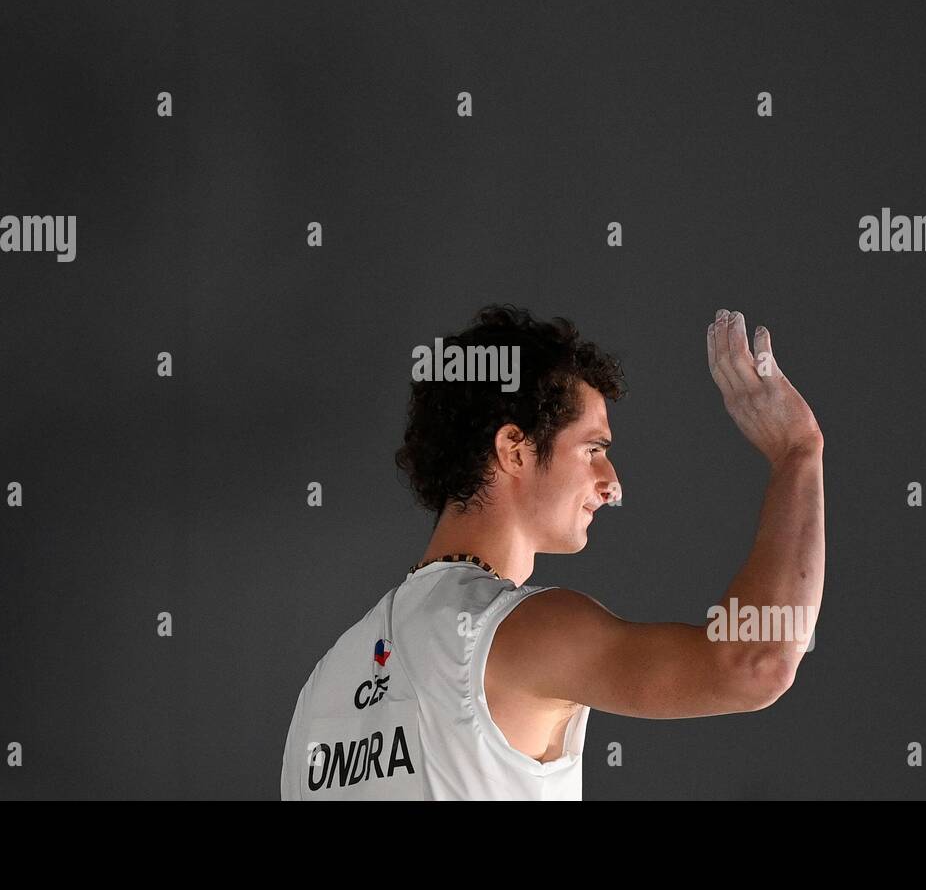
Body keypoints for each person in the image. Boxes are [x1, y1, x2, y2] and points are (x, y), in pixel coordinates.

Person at [280, 304, 824, 799]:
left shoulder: (326, 682)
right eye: (592, 450)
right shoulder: (517, 632)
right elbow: (757, 663)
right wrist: (798, 455)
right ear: (514, 450)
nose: (612, 484)